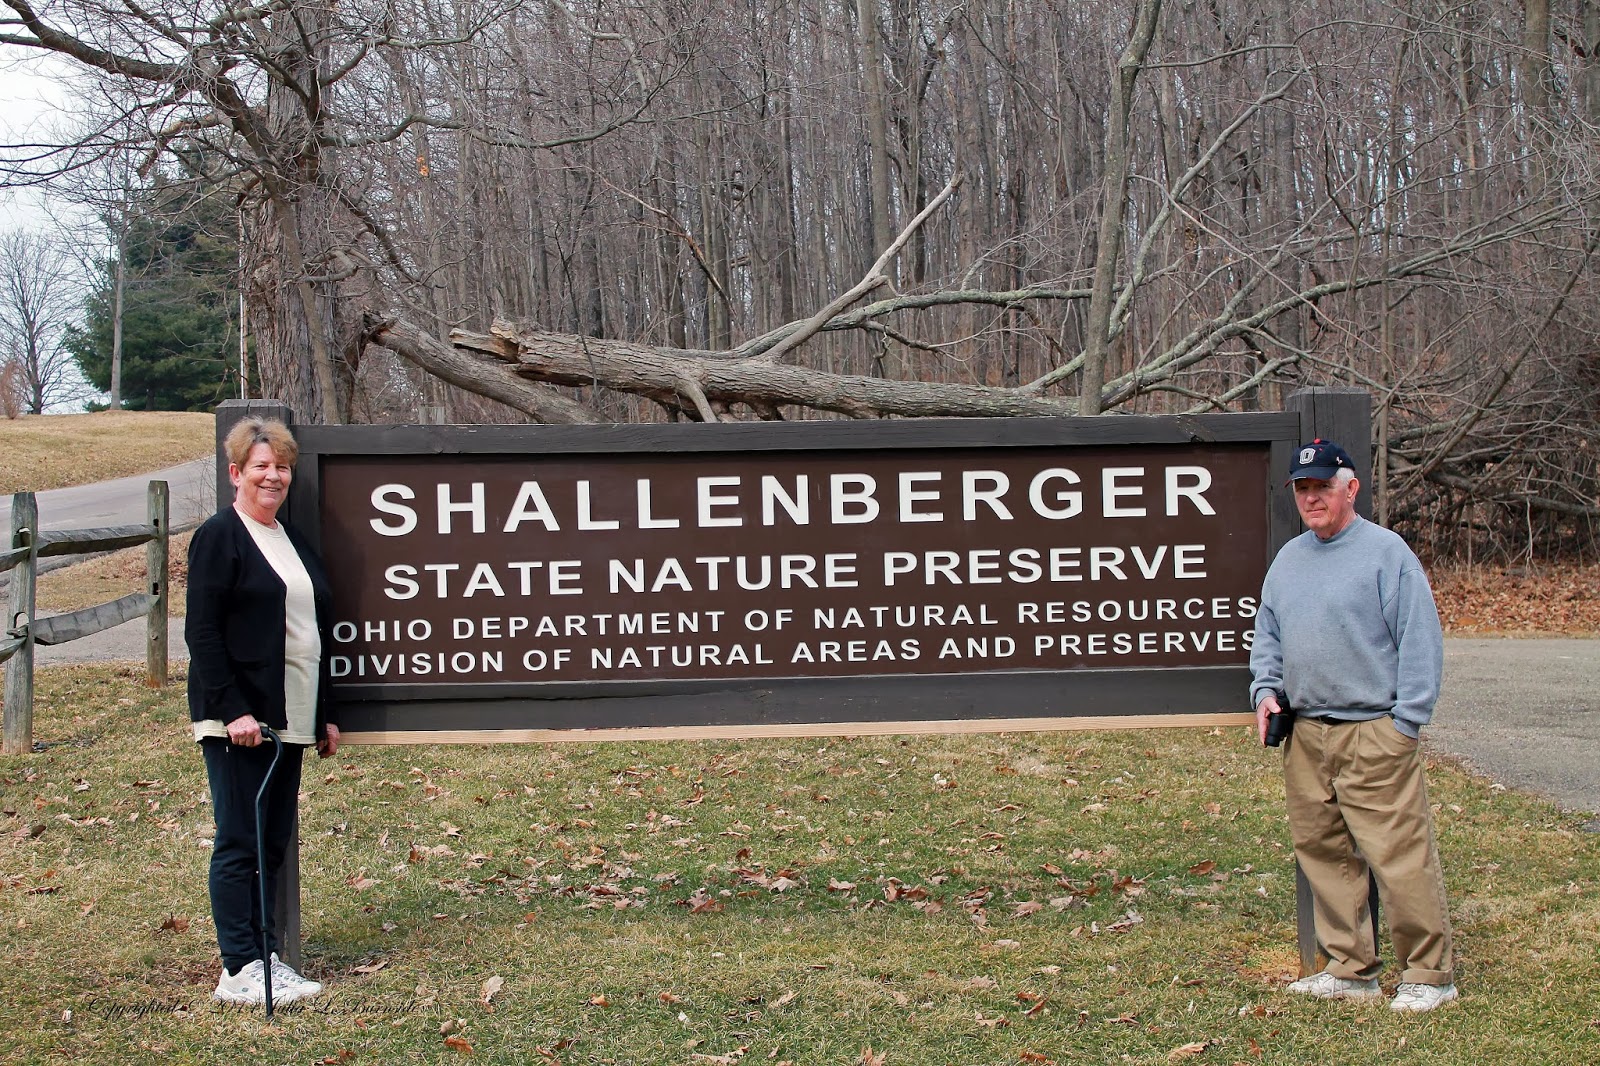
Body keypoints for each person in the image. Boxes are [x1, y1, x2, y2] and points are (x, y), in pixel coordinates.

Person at [1249, 439, 1457, 1013]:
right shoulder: (1289, 560)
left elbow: (1420, 641)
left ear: (1351, 489)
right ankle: (1350, 968)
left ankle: (1429, 974)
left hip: (1373, 729)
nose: (1311, 498)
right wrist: (1266, 692)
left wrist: (1405, 724)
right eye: (1303, 488)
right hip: (1306, 733)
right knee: (1325, 852)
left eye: (1323, 486)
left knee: (1398, 853)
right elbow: (1268, 636)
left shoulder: (1386, 554)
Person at [186, 417, 340, 1006]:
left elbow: (309, 631)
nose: (272, 476)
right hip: (243, 720)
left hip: (290, 713)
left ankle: (265, 960)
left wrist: (322, 713)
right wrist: (233, 710)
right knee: (239, 840)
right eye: (261, 467)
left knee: (272, 840)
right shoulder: (220, 536)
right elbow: (202, 632)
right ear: (236, 473)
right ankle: (238, 968)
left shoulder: (288, 538)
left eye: (281, 467)